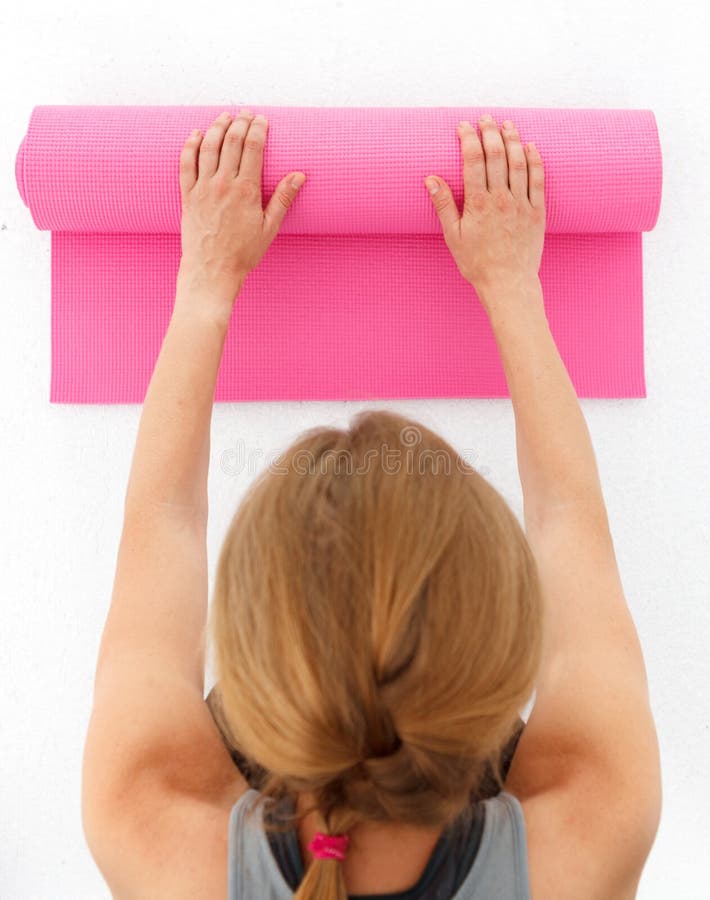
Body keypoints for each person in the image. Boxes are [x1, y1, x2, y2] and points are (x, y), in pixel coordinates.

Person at [81, 109, 662, 899]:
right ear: (506, 644)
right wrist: (513, 287)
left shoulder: (156, 836)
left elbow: (164, 524)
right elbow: (567, 519)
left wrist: (206, 285)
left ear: (256, 667)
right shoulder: (589, 837)